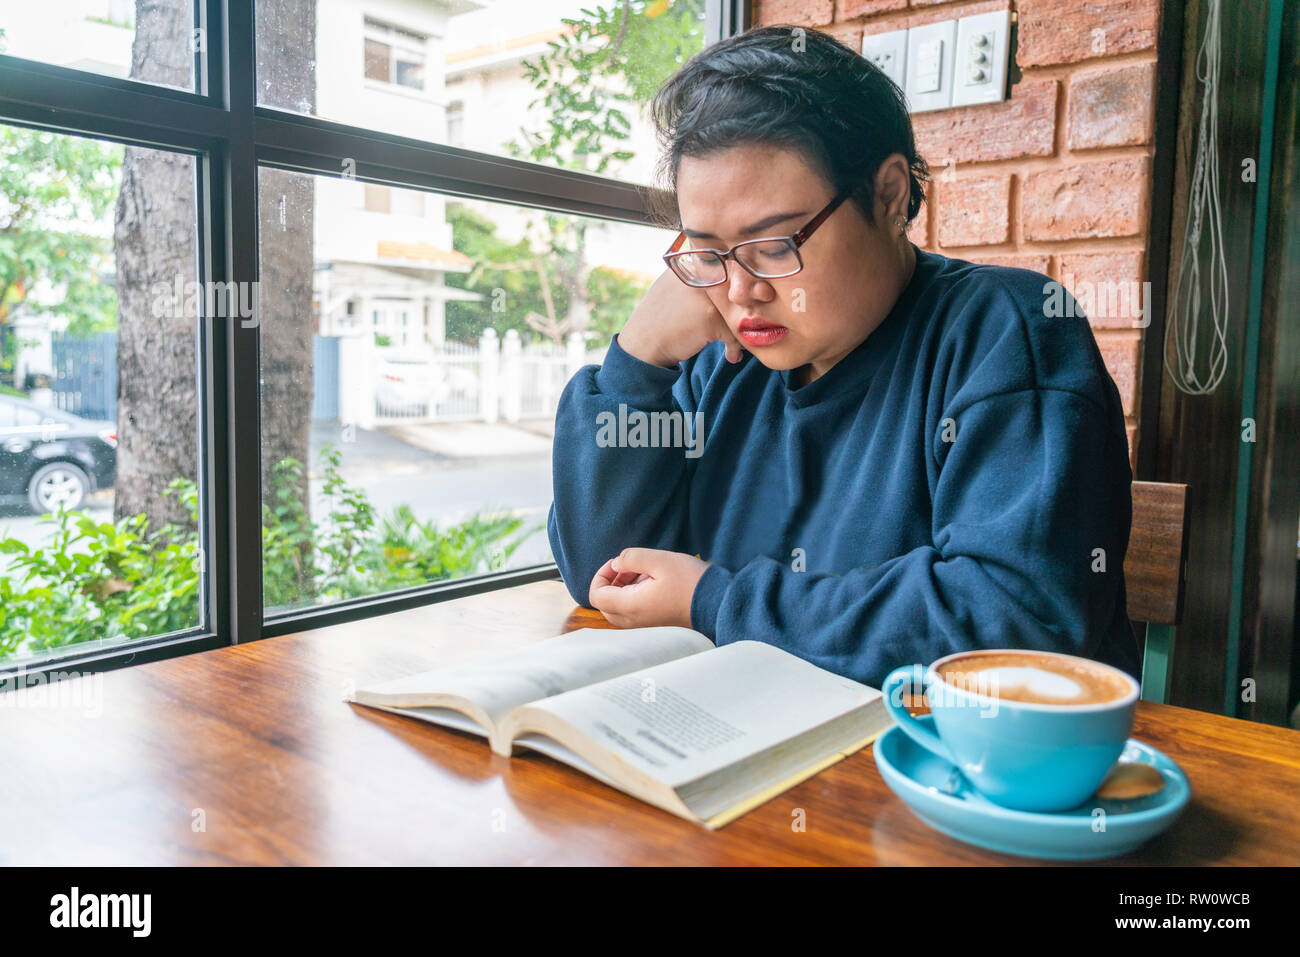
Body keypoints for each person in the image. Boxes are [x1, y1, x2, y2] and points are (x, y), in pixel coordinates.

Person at [546, 24, 1141, 688]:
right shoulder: (723, 355)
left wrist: (716, 601)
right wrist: (639, 359)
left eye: (773, 244)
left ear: (888, 196)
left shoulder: (1003, 333)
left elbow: (1015, 616)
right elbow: (606, 570)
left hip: (946, 770)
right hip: (750, 740)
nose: (742, 290)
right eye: (710, 252)